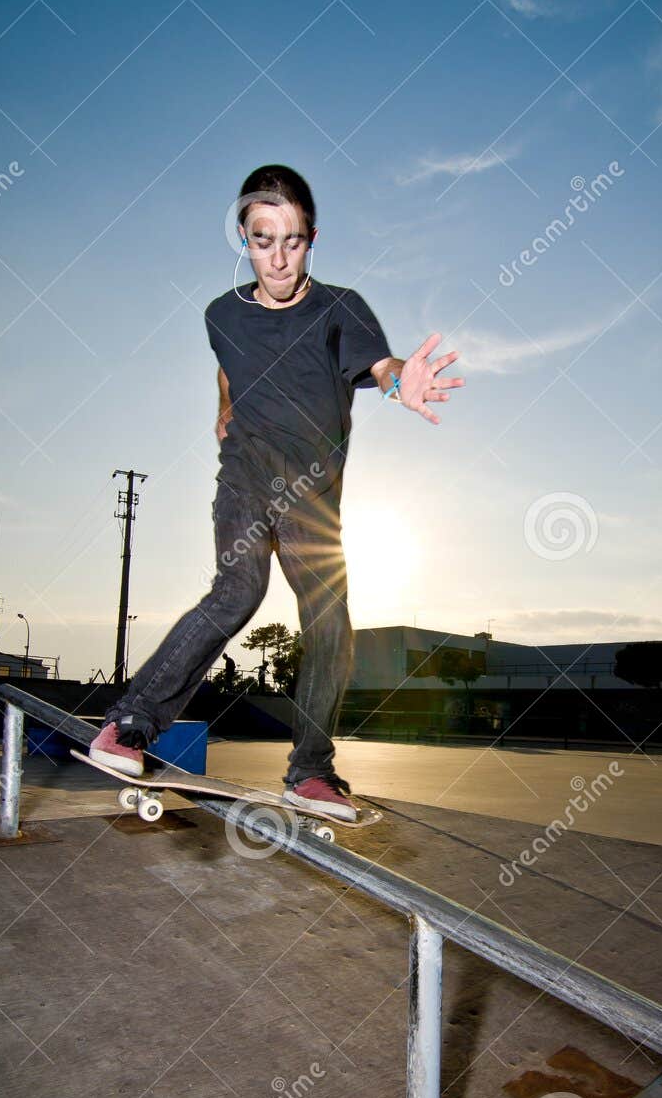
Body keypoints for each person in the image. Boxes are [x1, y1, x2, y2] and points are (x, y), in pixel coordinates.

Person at [89, 163, 464, 822]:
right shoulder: (220, 315)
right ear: (244, 237)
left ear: (311, 238)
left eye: (293, 241)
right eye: (264, 240)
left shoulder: (340, 309)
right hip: (244, 477)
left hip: (312, 499)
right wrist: (223, 406)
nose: (279, 258)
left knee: (330, 618)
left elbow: (379, 364)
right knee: (238, 591)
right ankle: (129, 725)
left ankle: (310, 773)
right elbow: (229, 367)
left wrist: (404, 377)